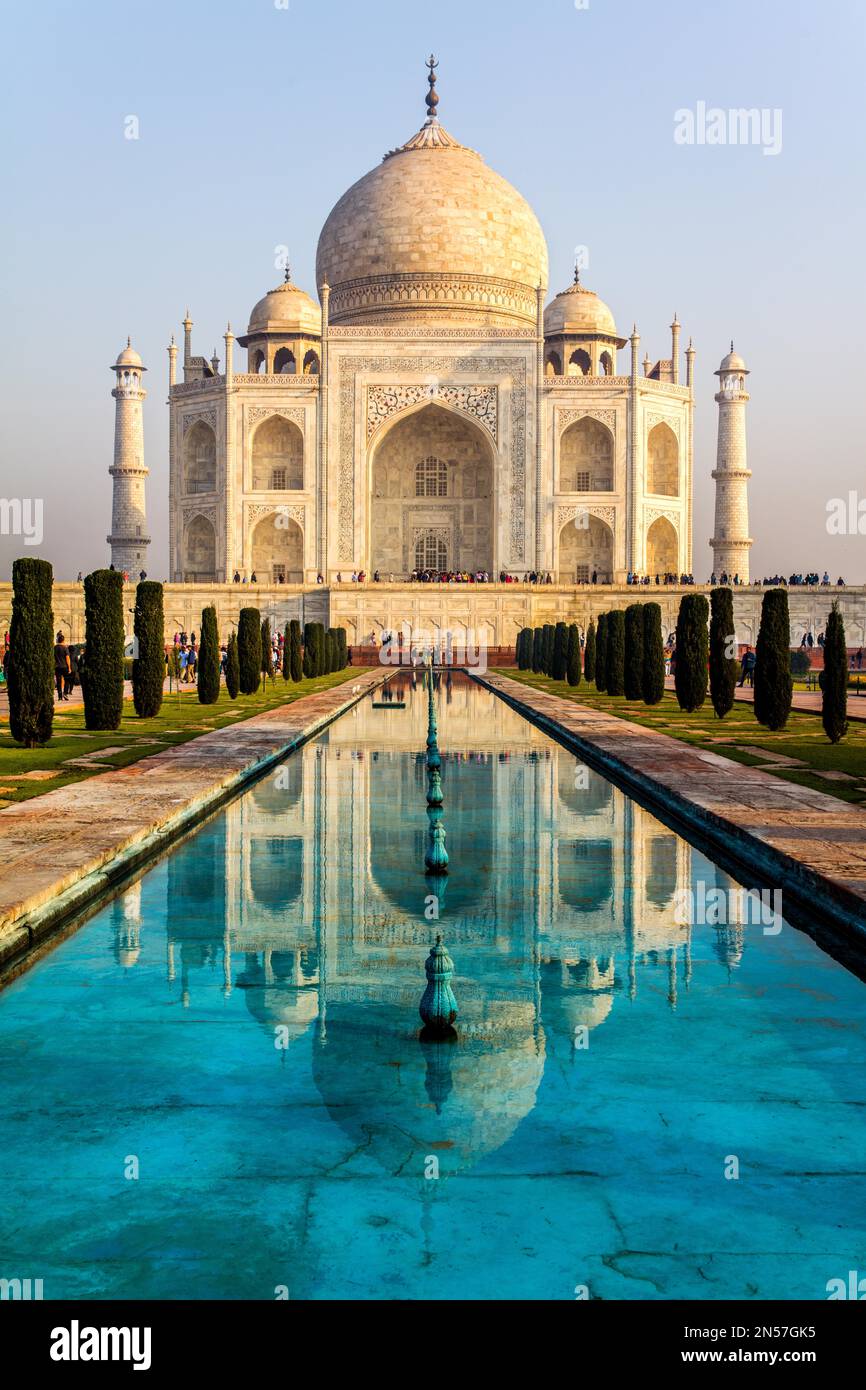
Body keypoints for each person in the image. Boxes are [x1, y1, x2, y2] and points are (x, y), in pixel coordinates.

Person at [53, 631, 71, 701]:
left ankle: (60, 696)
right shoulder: (65, 648)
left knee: (58, 681)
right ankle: (65, 693)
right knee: (67, 680)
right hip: (64, 667)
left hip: (57, 667)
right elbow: (67, 658)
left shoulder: (55, 648)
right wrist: (69, 667)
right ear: (63, 640)